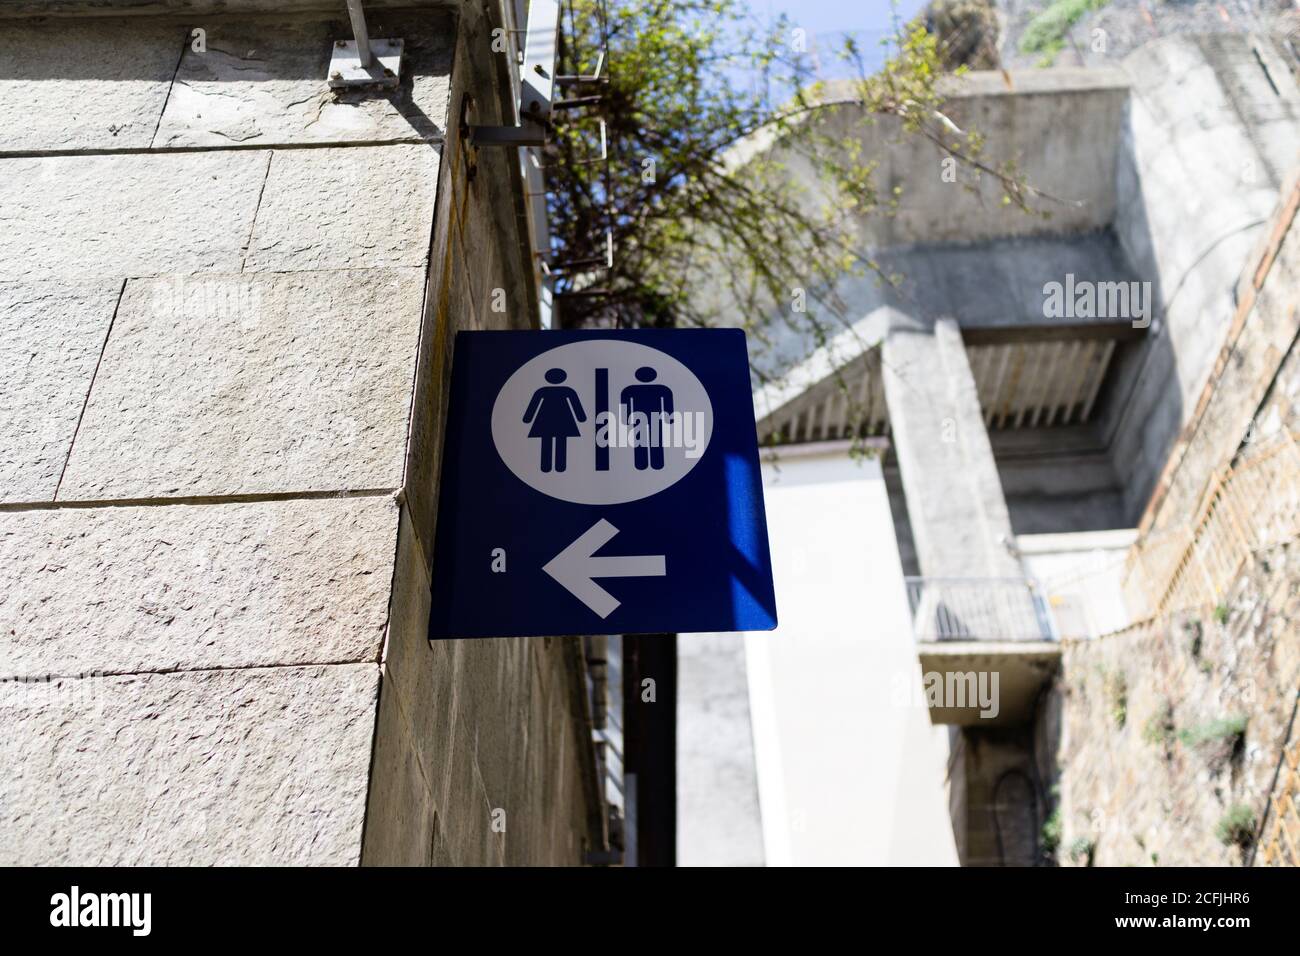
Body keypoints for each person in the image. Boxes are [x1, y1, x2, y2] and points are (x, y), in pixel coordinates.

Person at [522, 368, 586, 473]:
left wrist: (527, 419)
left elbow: (533, 406)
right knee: (560, 442)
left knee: (547, 442)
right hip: (562, 420)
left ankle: (547, 467)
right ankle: (559, 467)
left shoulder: (543, 391)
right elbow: (576, 406)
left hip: (546, 420)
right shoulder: (566, 390)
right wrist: (581, 418)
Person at [620, 366, 673, 471]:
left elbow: (668, 404)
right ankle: (648, 464)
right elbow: (624, 404)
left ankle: (649, 464)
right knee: (646, 441)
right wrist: (669, 418)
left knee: (649, 441)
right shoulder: (661, 389)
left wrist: (625, 419)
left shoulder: (631, 389)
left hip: (648, 419)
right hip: (644, 419)